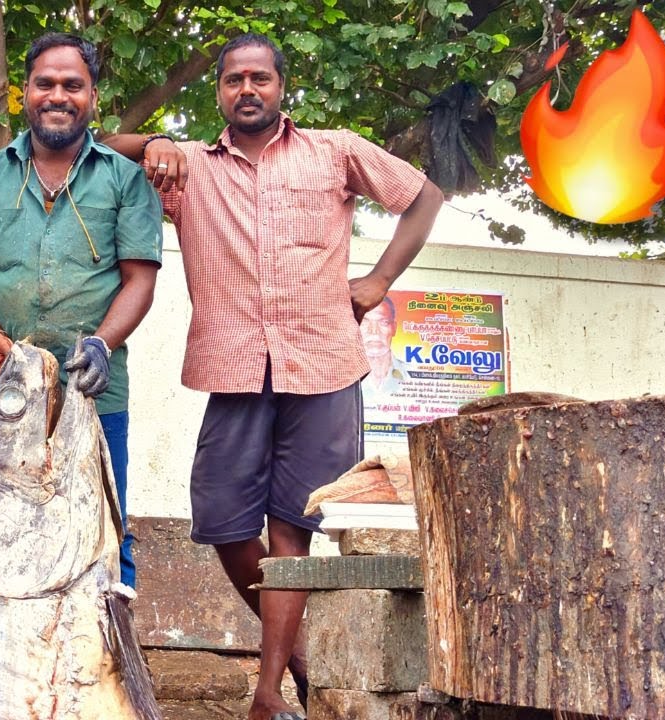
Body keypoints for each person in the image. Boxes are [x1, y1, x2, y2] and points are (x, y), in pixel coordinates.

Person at [104, 33, 443, 720]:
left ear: (282, 86)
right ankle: (300, 667)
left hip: (323, 366)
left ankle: (267, 697)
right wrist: (155, 140)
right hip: (231, 369)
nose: (247, 90)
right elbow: (96, 146)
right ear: (220, 91)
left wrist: (380, 277)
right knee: (226, 523)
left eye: (260, 78)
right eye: (234, 80)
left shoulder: (336, 150)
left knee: (292, 531)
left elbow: (425, 196)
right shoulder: (190, 167)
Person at [0, 32, 164, 589]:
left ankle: (112, 659)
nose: (58, 95)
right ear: (25, 93)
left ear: (93, 98)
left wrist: (102, 344)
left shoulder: (126, 180)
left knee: (103, 526)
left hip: (94, 380)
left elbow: (140, 280)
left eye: (73, 85)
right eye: (46, 83)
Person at [360, 296, 408, 395]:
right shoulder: (339, 375)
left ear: (394, 328)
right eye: (364, 322)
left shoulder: (412, 373)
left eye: (383, 322)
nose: (374, 331)